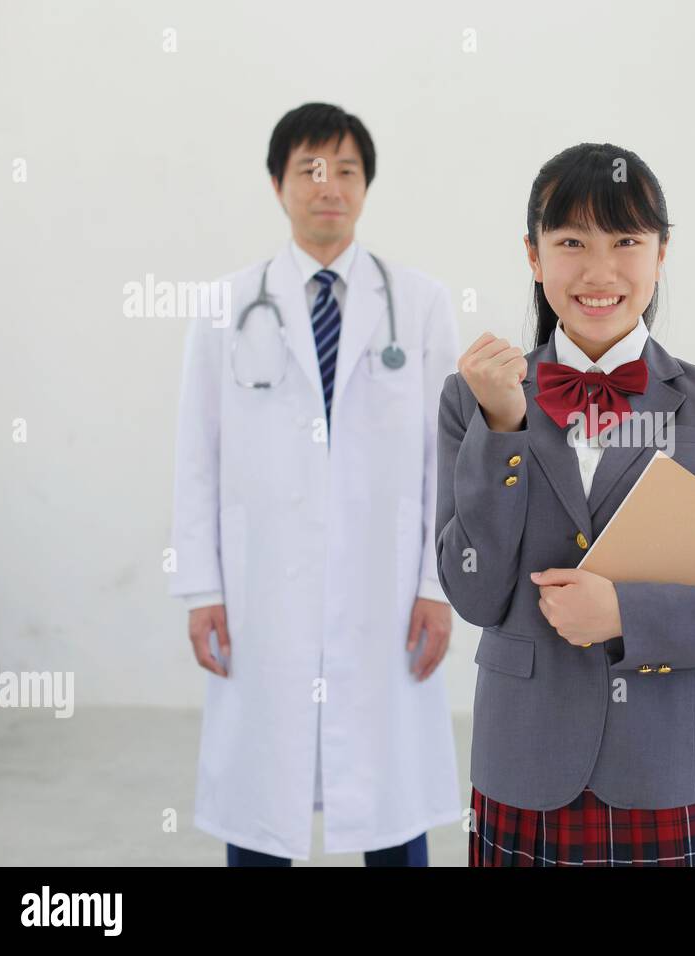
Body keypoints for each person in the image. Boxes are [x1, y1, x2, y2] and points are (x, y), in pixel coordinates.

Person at [434, 142, 695, 866]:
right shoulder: (473, 396)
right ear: (534, 255)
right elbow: (473, 593)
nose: (599, 270)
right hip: (525, 763)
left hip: (670, 766)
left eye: (626, 241)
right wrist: (504, 429)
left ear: (661, 254)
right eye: (571, 240)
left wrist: (626, 616)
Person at [169, 102, 461, 865]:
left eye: (347, 170)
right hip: (263, 591)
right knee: (262, 797)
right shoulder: (226, 308)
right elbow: (197, 455)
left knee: (389, 798)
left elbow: (446, 460)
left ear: (366, 187)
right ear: (278, 184)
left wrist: (438, 584)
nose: (328, 185)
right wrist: (202, 588)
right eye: (309, 168)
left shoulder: (421, 305)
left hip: (387, 588)